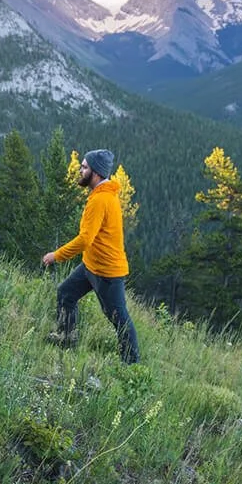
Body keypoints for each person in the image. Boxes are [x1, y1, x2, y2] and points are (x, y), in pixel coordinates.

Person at [41, 149, 139, 364]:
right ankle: (66, 337)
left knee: (119, 320)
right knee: (66, 293)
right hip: (90, 266)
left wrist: (56, 256)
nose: (80, 169)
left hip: (106, 272)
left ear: (95, 172)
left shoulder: (100, 200)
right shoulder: (102, 195)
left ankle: (131, 367)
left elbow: (85, 239)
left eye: (84, 167)